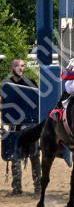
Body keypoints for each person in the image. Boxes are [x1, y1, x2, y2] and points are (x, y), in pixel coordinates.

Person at [6, 58, 39, 194]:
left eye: (22, 66)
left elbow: (38, 103)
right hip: (15, 126)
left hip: (30, 125)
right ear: (11, 68)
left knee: (34, 156)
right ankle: (17, 188)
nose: (20, 68)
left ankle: (38, 187)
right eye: (17, 65)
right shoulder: (7, 85)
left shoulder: (30, 83)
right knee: (15, 157)